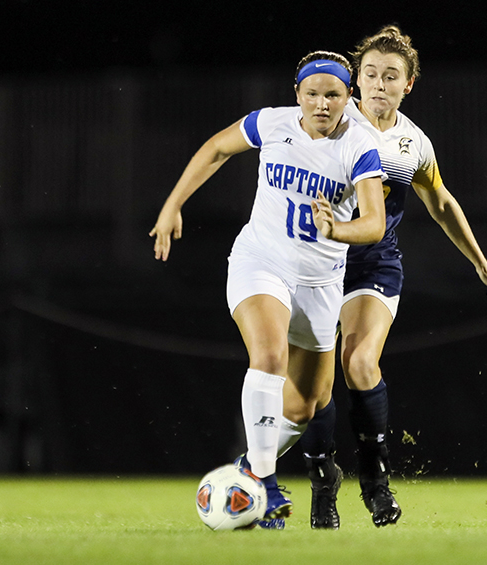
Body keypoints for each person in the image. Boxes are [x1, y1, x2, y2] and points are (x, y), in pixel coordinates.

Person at [149, 50, 387, 528]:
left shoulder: (359, 145)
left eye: (333, 95)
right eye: (312, 94)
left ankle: (247, 471)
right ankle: (264, 481)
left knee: (305, 405)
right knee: (270, 355)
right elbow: (216, 149)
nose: (322, 104)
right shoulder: (272, 123)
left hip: (321, 283)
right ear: (297, 94)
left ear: (348, 97)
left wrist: (338, 230)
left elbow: (375, 223)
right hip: (262, 262)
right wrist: (173, 204)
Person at [292, 25, 487, 529]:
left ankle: (375, 478)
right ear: (356, 80)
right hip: (315, 264)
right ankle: (323, 480)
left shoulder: (413, 144)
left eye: (391, 76)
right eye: (370, 74)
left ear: (407, 84)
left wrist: (480, 262)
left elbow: (441, 202)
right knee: (314, 391)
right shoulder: (330, 123)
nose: (379, 84)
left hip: (372, 264)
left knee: (360, 362)